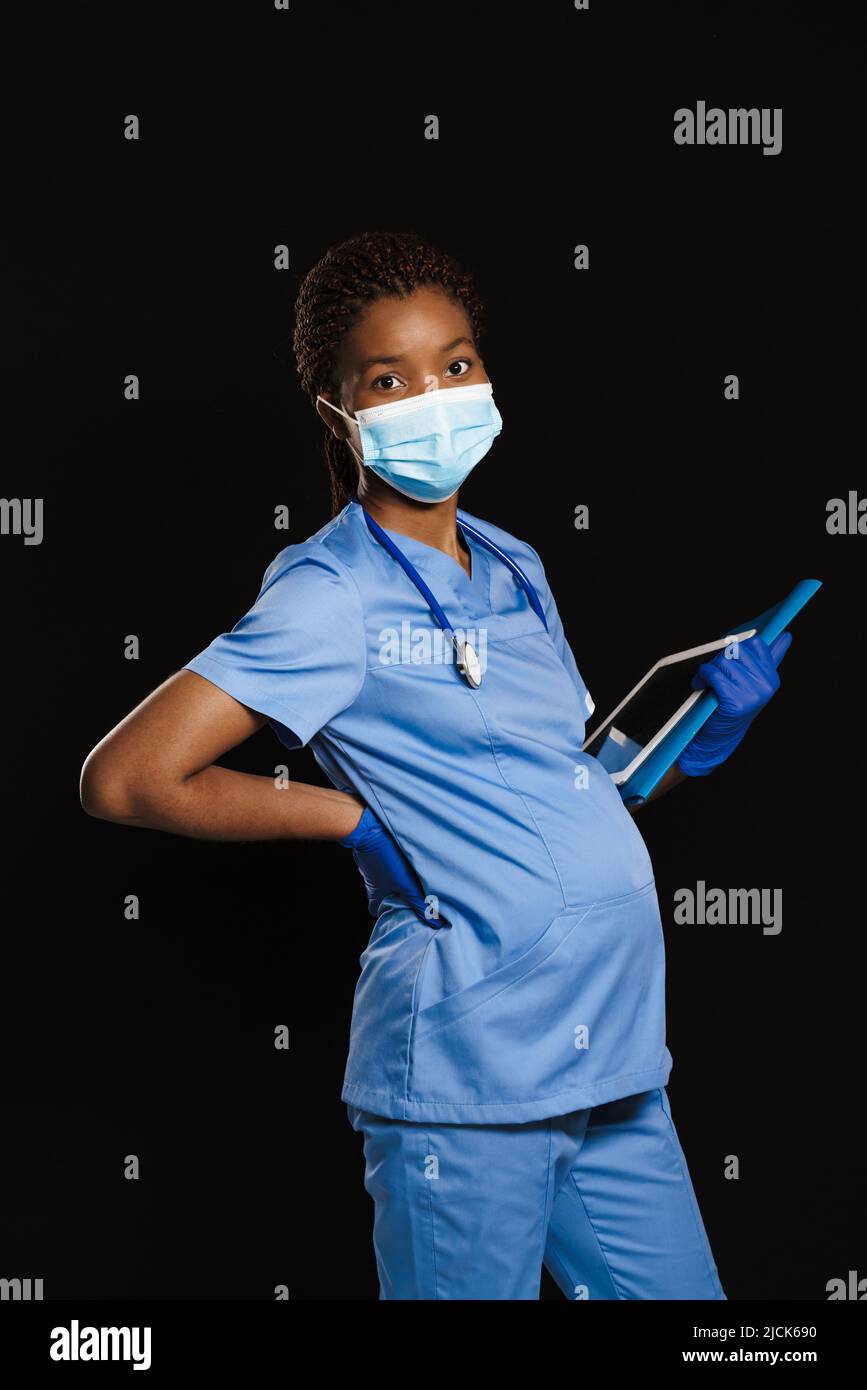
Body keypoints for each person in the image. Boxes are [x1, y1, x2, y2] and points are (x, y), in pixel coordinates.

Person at [80, 230, 791, 1300]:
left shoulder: (516, 562)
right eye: (390, 377)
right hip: (471, 1073)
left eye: (456, 364)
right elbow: (126, 776)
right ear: (341, 412)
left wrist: (708, 734)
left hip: (609, 1057)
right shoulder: (330, 593)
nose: (437, 394)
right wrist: (346, 821)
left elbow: (577, 781)